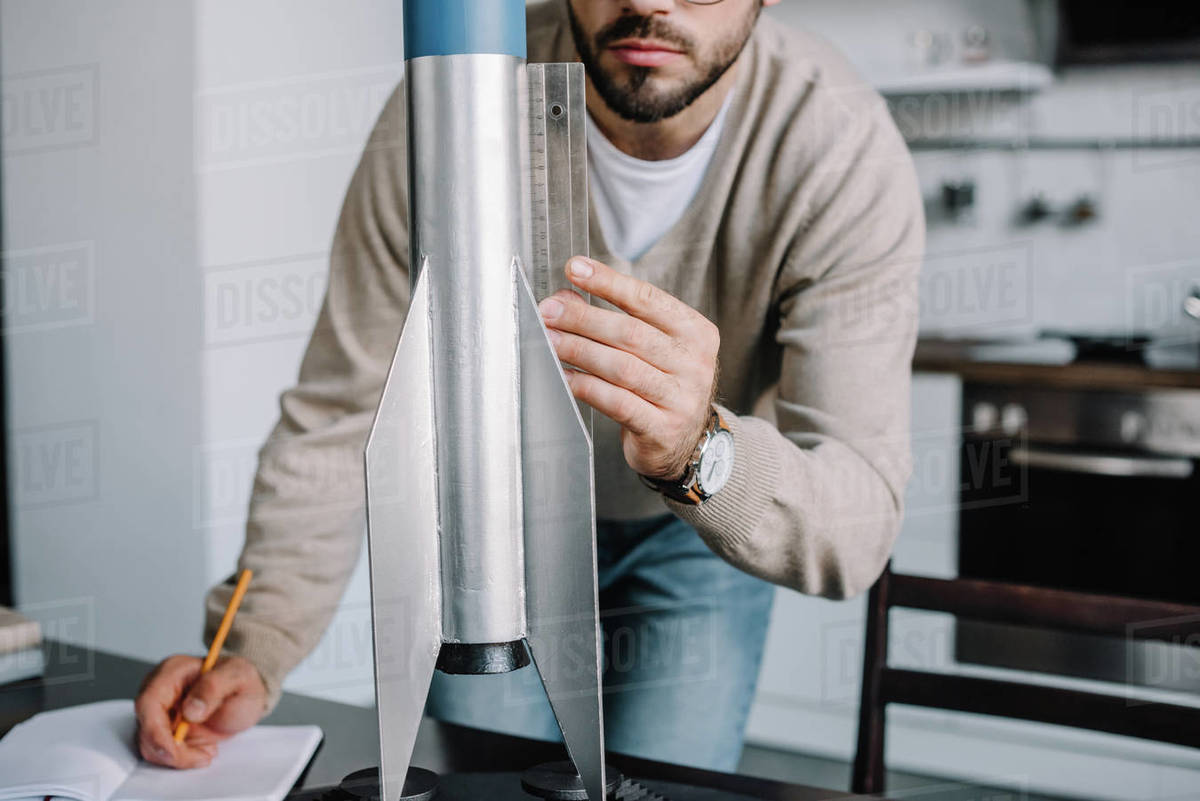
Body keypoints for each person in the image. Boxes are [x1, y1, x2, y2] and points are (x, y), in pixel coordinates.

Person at [136, 0, 923, 773]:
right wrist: (253, 645)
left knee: (661, 784)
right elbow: (343, 413)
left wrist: (699, 448)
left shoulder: (838, 145)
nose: (649, 1)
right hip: (493, 523)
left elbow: (857, 524)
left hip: (692, 537)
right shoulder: (447, 101)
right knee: (488, 782)